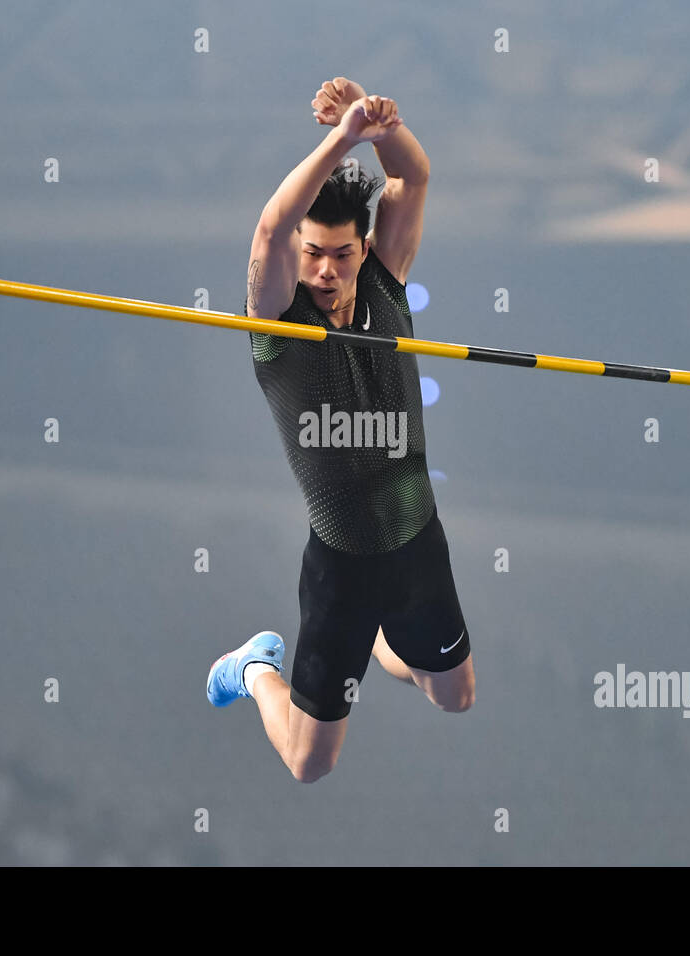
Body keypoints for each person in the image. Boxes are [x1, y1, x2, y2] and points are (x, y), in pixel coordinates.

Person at [207, 78, 474, 783]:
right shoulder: (277, 321)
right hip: (343, 564)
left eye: (341, 254)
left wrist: (383, 126)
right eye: (313, 253)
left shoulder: (387, 280)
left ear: (364, 248)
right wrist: (342, 141)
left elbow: (413, 175)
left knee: (456, 696)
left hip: (418, 538)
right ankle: (255, 670)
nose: (324, 271)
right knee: (309, 763)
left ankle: (387, 634)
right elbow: (268, 229)